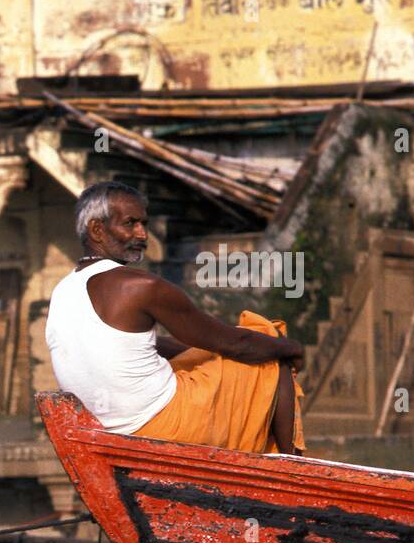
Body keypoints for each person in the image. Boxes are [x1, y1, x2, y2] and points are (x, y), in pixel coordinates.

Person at [46, 181, 305, 455]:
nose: (142, 234)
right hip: (163, 425)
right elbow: (236, 342)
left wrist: (205, 356)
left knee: (225, 354)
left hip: (108, 432)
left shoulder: (63, 291)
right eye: (130, 224)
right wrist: (291, 348)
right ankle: (291, 468)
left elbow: (133, 347)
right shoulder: (141, 286)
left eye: (143, 224)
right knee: (268, 343)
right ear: (97, 229)